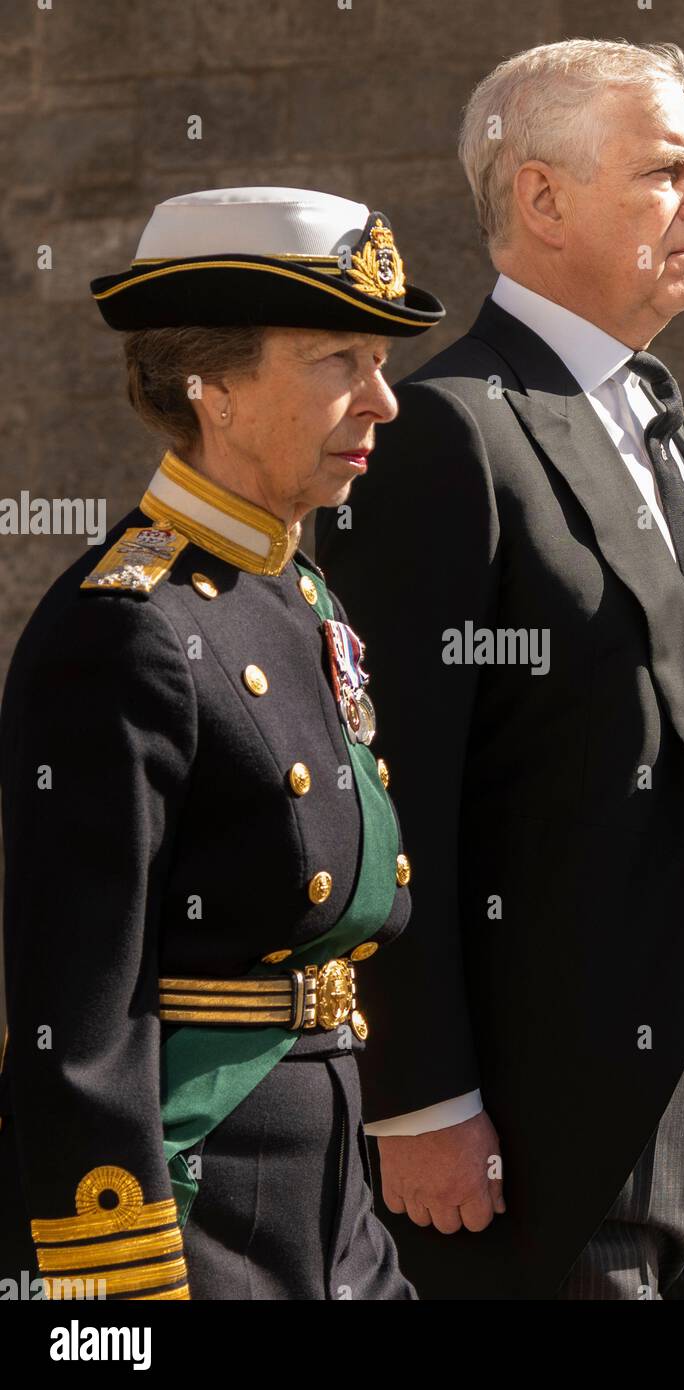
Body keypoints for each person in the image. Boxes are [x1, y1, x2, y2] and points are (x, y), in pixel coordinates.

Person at [317, 39, 684, 1300]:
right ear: (542, 199)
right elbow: (396, 793)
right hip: (564, 1127)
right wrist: (419, 1095)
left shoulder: (663, 418)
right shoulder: (452, 431)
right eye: (668, 173)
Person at [0, 186, 445, 1300]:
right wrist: (122, 1292)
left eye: (381, 360)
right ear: (214, 386)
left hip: (332, 1192)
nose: (383, 400)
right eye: (340, 359)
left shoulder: (301, 595)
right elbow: (78, 1020)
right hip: (193, 1212)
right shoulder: (126, 625)